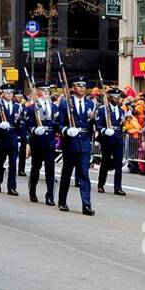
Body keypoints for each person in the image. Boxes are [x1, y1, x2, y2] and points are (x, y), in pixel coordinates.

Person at [56, 76, 96, 215]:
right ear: (73, 88)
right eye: (78, 85)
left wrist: (95, 138)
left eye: (83, 85)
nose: (82, 88)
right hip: (70, 143)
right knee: (67, 173)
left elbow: (91, 124)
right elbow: (58, 123)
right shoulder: (65, 103)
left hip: (84, 143)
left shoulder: (91, 104)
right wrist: (66, 130)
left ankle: (86, 205)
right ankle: (62, 201)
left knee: (84, 174)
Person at [26, 82, 56, 205]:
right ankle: (32, 191)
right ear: (38, 92)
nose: (45, 93)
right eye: (43, 91)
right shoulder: (32, 107)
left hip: (49, 141)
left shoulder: (54, 107)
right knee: (36, 168)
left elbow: (57, 122)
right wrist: (34, 130)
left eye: (47, 91)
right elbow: (28, 125)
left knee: (50, 170)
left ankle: (50, 196)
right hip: (37, 141)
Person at [97, 86, 128, 196]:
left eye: (118, 97)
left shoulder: (121, 111)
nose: (117, 99)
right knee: (105, 163)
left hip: (118, 139)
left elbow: (121, 124)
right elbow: (98, 125)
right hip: (107, 139)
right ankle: (101, 184)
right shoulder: (103, 109)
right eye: (115, 97)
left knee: (118, 164)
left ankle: (118, 187)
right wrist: (104, 130)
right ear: (110, 98)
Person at [0, 82, 21, 196]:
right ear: (2, 94)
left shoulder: (17, 107)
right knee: (0, 163)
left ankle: (12, 187)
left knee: (13, 164)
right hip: (2, 138)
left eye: (11, 93)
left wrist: (19, 137)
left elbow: (18, 123)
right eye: (7, 92)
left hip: (13, 138)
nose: (9, 94)